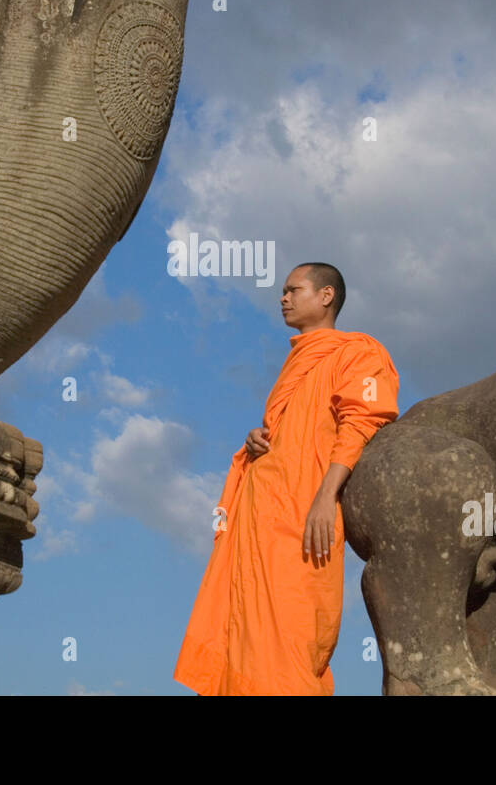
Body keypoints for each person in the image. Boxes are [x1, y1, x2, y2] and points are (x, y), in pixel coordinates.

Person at [173, 262, 400, 695]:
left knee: (294, 635)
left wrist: (325, 496)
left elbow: (362, 421)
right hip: (259, 520)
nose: (283, 297)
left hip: (303, 517)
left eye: (294, 289)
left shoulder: (358, 351)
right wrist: (258, 440)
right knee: (244, 631)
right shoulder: (296, 362)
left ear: (326, 296)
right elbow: (294, 431)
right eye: (282, 291)